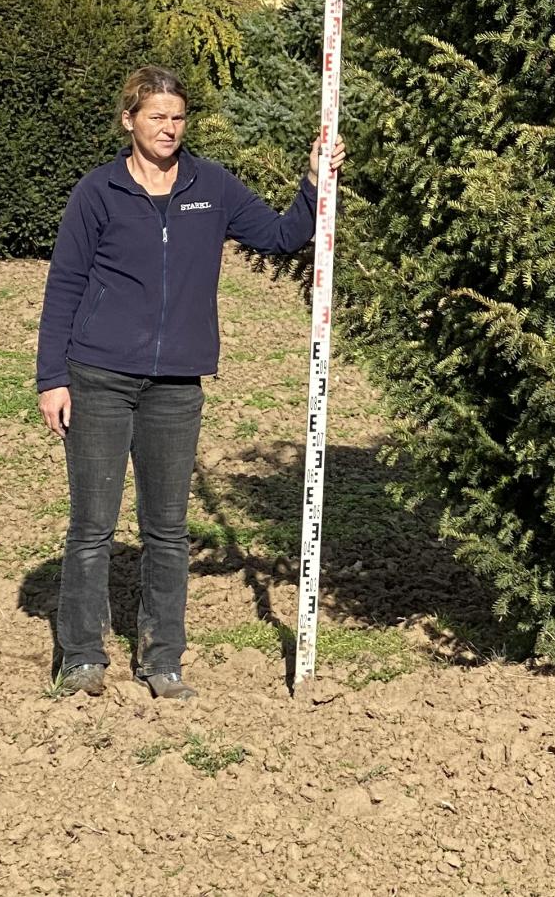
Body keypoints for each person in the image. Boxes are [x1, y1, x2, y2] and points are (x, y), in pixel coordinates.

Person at [35, 65, 343, 699]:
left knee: (166, 529)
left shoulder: (212, 187)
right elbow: (64, 285)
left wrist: (315, 182)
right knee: (92, 525)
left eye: (177, 118)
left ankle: (163, 659)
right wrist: (52, 378)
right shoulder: (97, 193)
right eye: (156, 117)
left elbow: (285, 235)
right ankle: (83, 656)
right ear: (129, 121)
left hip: (176, 384)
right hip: (97, 375)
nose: (169, 129)